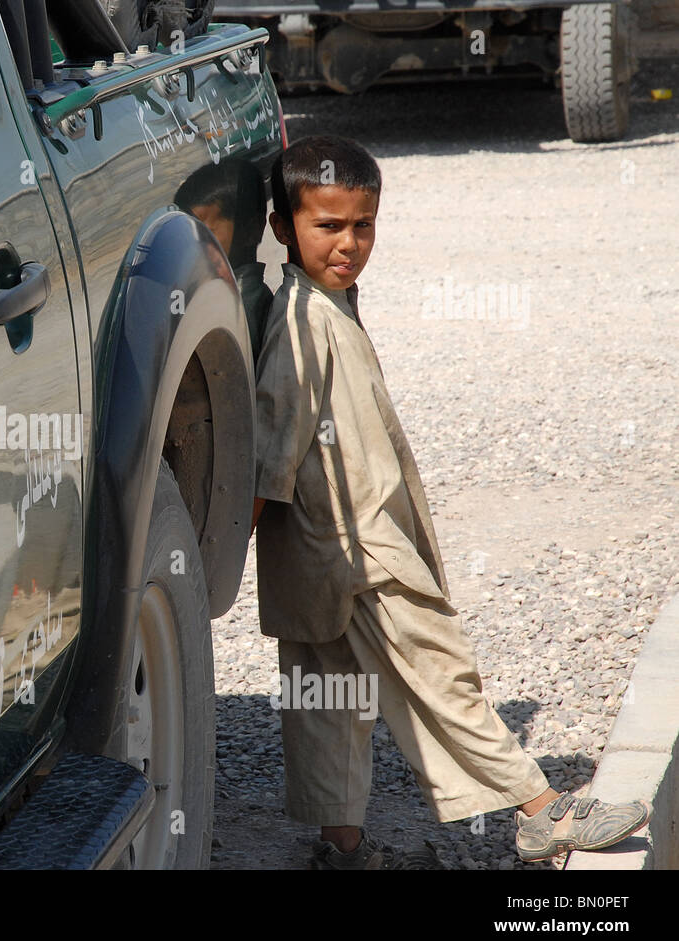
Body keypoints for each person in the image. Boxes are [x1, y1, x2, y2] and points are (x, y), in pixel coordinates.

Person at [249, 134, 652, 868]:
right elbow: (269, 461)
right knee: (441, 673)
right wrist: (210, 571)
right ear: (282, 229)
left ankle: (340, 843)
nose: (348, 244)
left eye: (362, 225)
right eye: (326, 227)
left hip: (321, 551)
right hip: (356, 551)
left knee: (328, 693)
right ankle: (542, 812)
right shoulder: (303, 326)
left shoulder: (328, 303)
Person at [173, 158, 272, 363]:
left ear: (251, 230)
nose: (192, 244)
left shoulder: (239, 312)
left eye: (205, 233)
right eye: (186, 233)